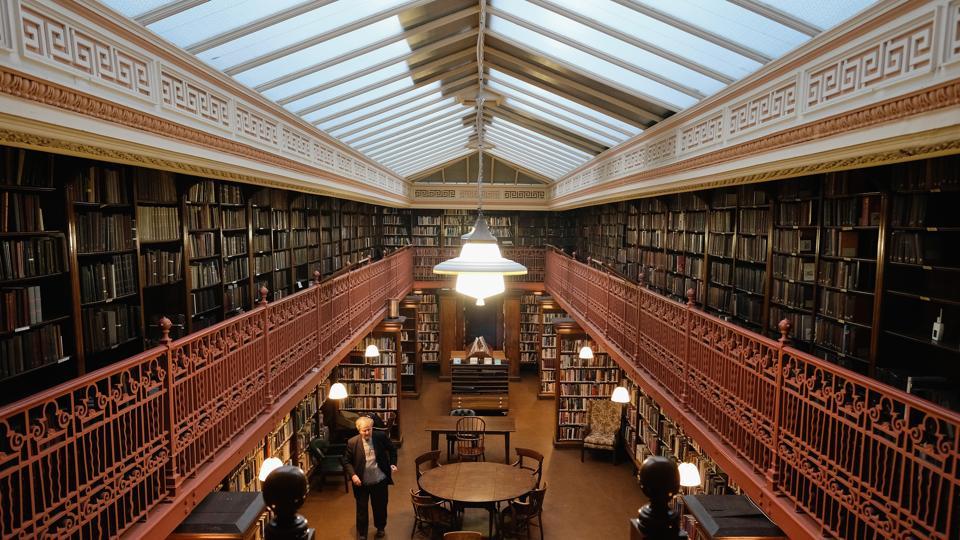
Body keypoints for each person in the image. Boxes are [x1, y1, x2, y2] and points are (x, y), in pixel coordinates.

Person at [344, 416, 398, 539]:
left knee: (380, 507)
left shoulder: (380, 437)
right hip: (361, 483)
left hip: (379, 480)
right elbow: (347, 461)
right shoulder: (352, 443)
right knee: (361, 510)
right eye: (364, 430)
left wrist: (393, 463)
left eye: (369, 429)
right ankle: (362, 534)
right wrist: (353, 475)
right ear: (359, 430)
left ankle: (380, 528)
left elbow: (392, 449)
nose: (367, 432)